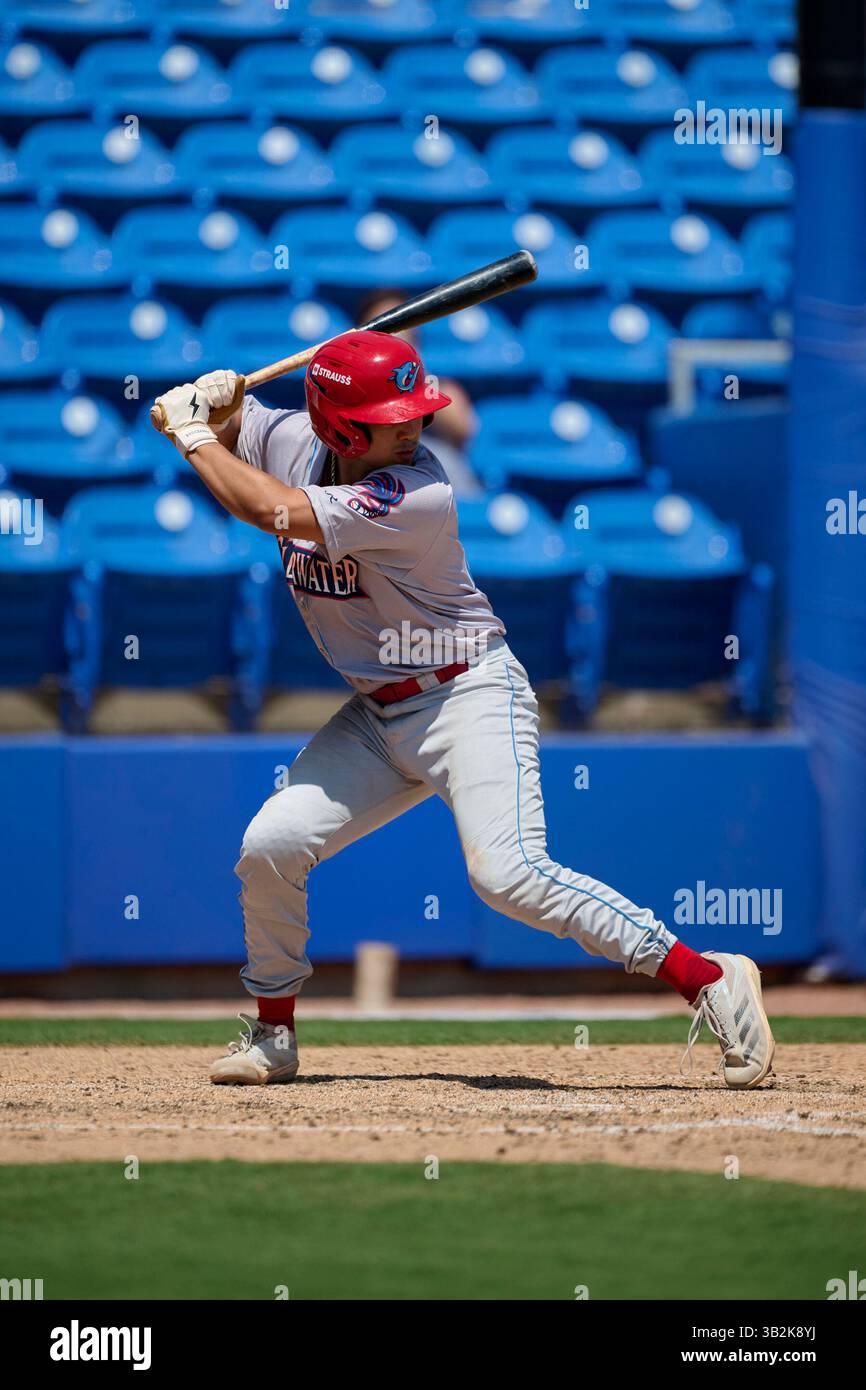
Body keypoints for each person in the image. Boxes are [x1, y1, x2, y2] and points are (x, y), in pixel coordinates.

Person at [152, 330, 775, 1090]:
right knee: (269, 847)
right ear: (340, 426)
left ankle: (708, 976)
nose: (412, 424)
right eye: (392, 415)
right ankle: (272, 1034)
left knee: (508, 877)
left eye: (413, 410)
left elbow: (271, 509)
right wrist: (218, 408)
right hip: (378, 715)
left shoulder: (415, 491)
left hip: (467, 695)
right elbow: (240, 432)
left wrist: (191, 434)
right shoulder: (288, 435)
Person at [355, 289, 483, 498]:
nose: (394, 338)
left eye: (403, 331)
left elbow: (463, 427)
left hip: (437, 486)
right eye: (384, 332)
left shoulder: (437, 386)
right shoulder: (339, 389)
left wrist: (405, 373)